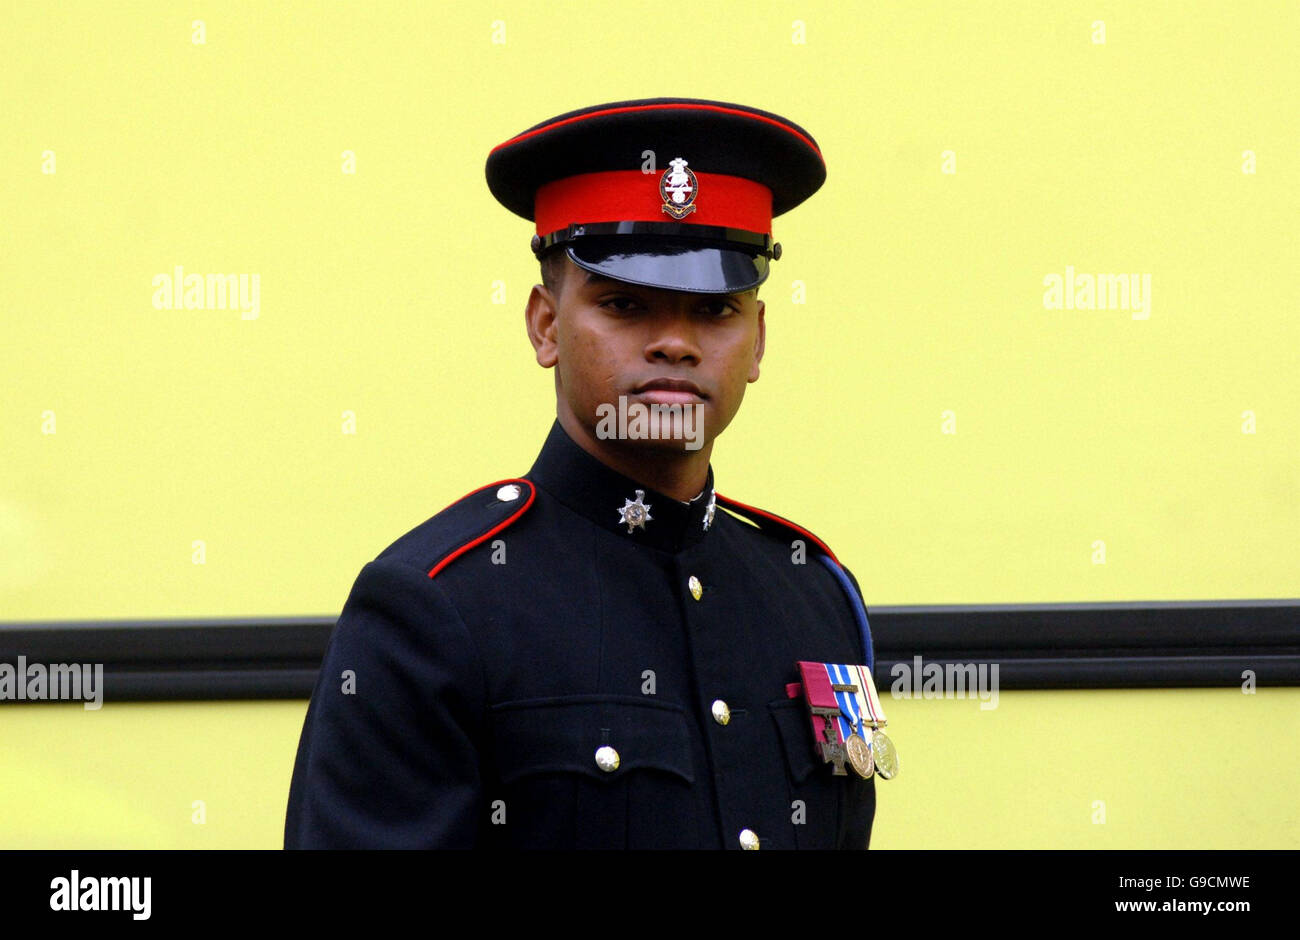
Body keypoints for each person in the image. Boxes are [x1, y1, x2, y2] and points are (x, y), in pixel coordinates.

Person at [284, 97, 892, 850]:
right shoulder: (435, 609)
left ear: (759, 341)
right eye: (626, 305)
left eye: (714, 311)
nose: (675, 342)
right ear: (545, 325)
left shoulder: (816, 595)